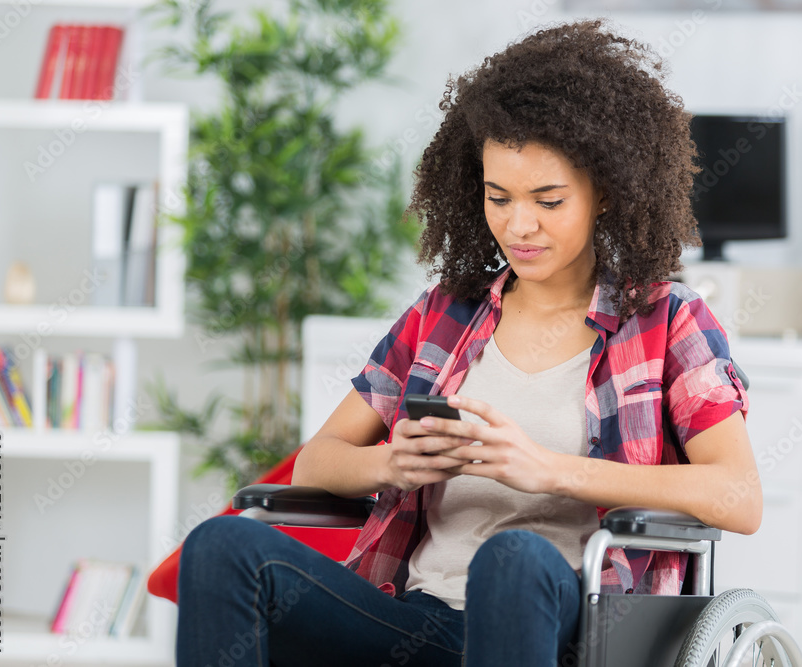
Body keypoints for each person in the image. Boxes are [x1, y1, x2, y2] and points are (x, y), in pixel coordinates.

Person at [175, 17, 762, 667]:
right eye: (498, 196)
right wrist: (392, 464)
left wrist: (551, 469)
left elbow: (738, 495)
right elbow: (319, 462)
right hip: (419, 617)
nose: (519, 224)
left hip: (571, 626)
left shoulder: (667, 320)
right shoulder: (441, 316)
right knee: (219, 546)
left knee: (510, 560)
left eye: (548, 199)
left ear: (605, 193)